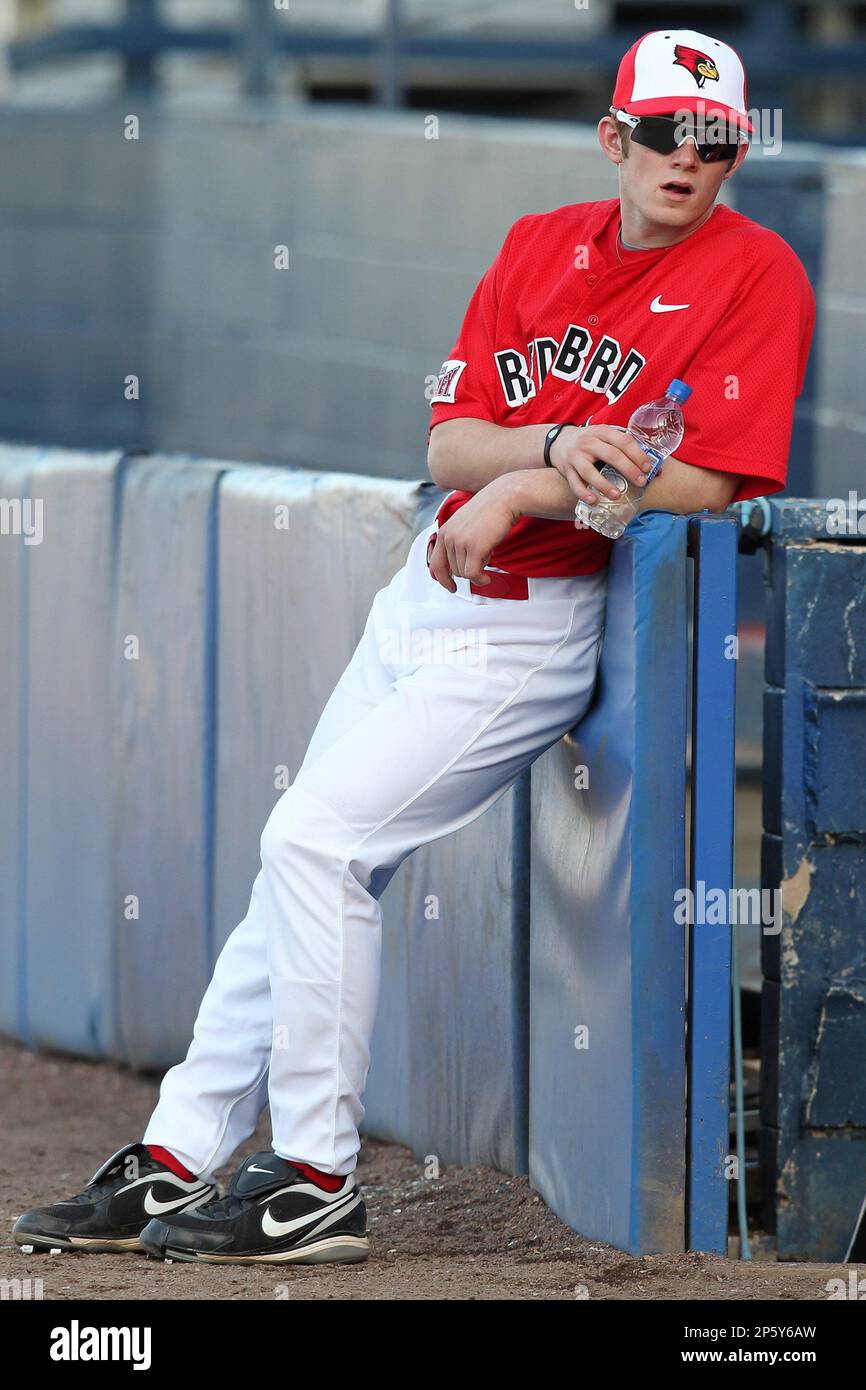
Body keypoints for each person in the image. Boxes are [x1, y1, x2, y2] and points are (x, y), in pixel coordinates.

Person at [13, 28, 814, 1266]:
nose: (684, 158)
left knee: (312, 841)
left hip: (528, 631)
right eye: (660, 132)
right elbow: (449, 446)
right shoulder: (535, 246)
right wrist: (543, 459)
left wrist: (519, 489)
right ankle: (177, 1154)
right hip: (425, 596)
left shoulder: (756, 274)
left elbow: (706, 483)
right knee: (304, 869)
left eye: (711, 140)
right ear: (615, 138)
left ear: (731, 153)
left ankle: (316, 1175)